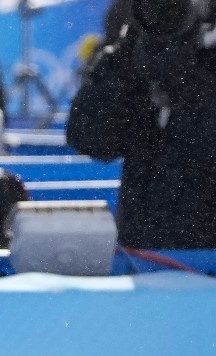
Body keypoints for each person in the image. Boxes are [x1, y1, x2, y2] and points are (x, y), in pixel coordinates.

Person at [68, 0, 216, 249]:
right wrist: (129, 61)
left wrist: (195, 83)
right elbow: (88, 136)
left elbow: (200, 144)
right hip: (142, 255)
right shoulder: (142, 44)